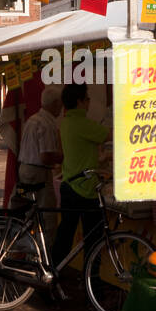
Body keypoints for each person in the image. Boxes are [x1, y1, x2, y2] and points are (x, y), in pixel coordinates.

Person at [51, 84, 109, 290]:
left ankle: (52, 275)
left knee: (64, 236)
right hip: (84, 189)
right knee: (93, 239)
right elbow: (107, 135)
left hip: (69, 185)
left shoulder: (66, 123)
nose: (89, 102)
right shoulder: (82, 124)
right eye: (87, 99)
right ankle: (92, 284)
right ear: (79, 101)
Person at [13, 85, 65, 235]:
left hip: (25, 169)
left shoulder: (33, 120)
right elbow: (46, 156)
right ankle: (46, 254)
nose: (61, 109)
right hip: (38, 173)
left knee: (28, 214)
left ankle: (27, 250)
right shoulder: (47, 123)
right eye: (60, 105)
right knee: (47, 217)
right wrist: (62, 157)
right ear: (54, 104)